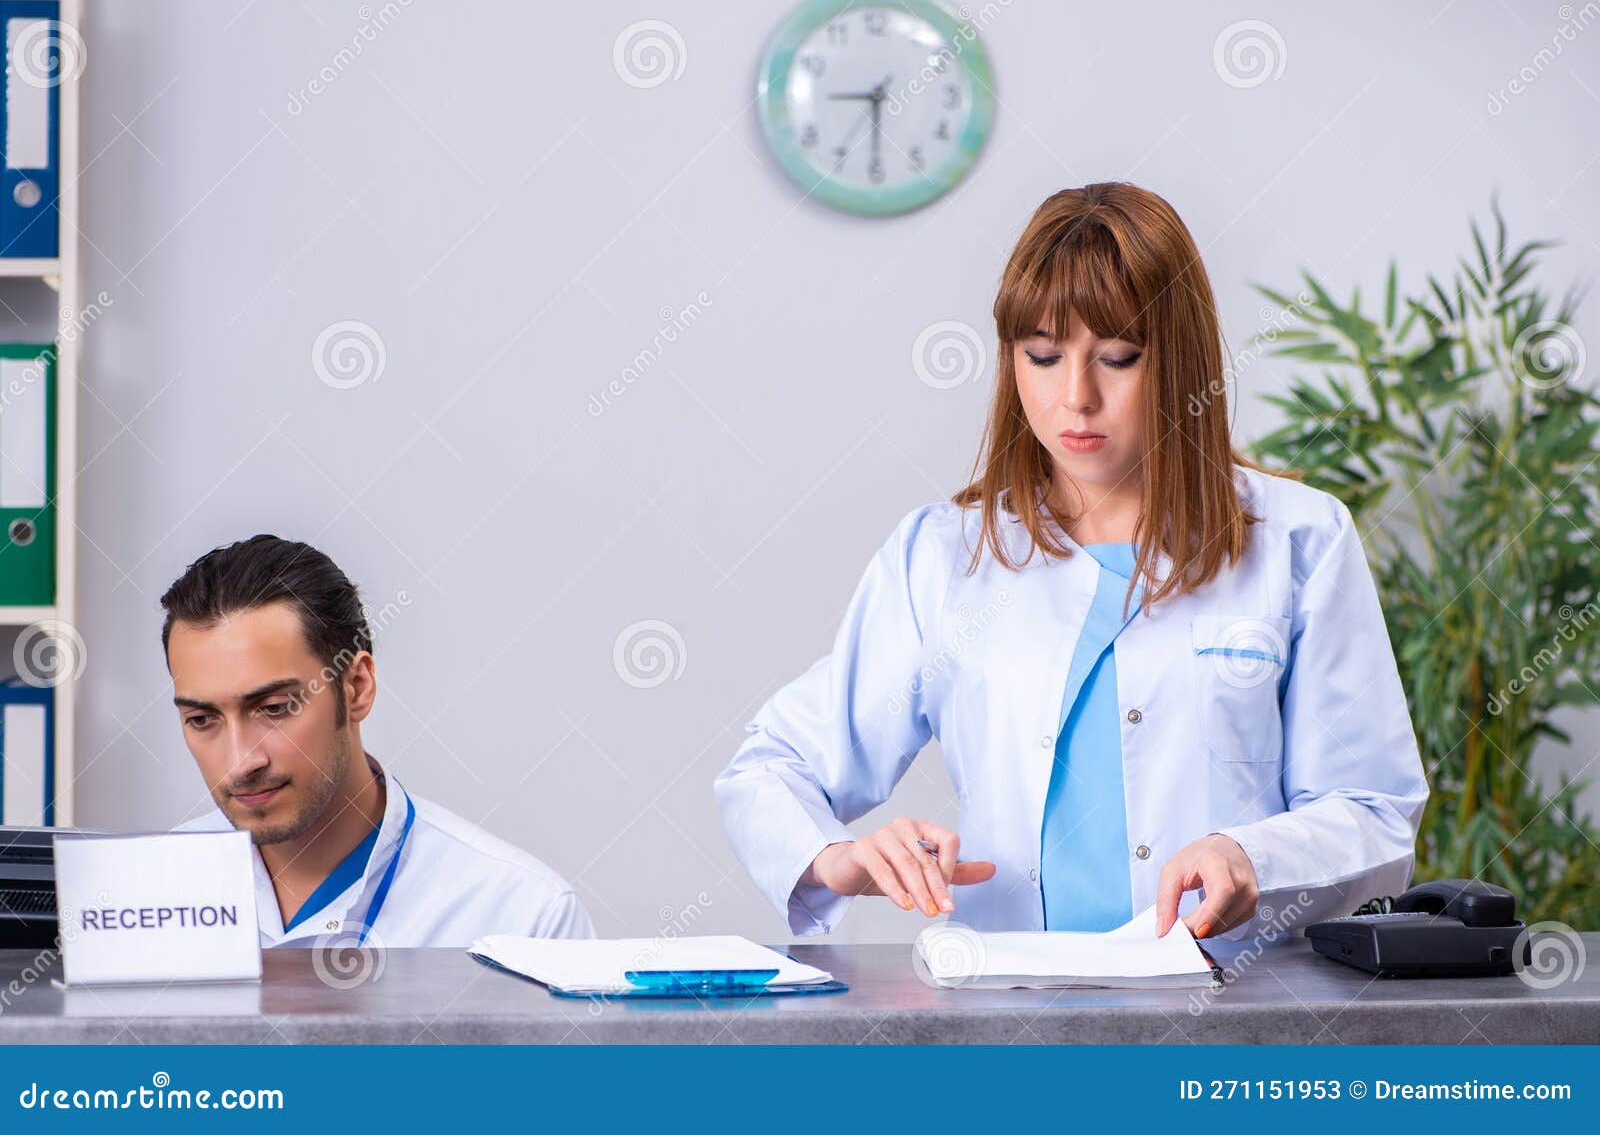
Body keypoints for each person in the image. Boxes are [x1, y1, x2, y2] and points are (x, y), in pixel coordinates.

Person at [715, 182, 1429, 944]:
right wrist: (838, 856)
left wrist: (1249, 851)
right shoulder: (943, 557)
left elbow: (1374, 813)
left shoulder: (1298, 539)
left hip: (1230, 1013)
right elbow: (770, 765)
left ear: (1180, 363)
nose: (1076, 397)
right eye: (1043, 356)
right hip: (1007, 1014)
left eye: (1118, 358)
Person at [165, 534, 593, 947]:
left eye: (275, 708)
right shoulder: (146, 894)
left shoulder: (523, 917)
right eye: (203, 719)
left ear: (356, 686)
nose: (240, 762)